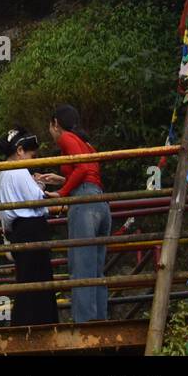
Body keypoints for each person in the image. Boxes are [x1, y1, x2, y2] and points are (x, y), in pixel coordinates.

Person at [39, 105, 110, 324]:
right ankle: (99, 321)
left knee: (81, 267)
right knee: (96, 269)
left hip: (84, 205)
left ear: (55, 124)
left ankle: (84, 325)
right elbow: (89, 173)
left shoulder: (66, 138)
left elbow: (80, 170)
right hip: (100, 202)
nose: (51, 131)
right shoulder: (86, 144)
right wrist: (61, 180)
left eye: (50, 126)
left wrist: (62, 193)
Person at [0, 129, 60, 326]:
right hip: (31, 228)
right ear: (20, 150)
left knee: (27, 281)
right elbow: (36, 200)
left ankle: (26, 325)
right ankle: (37, 325)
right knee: (38, 282)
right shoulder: (19, 170)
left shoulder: (3, 174)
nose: (34, 161)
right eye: (33, 156)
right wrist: (51, 193)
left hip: (17, 230)